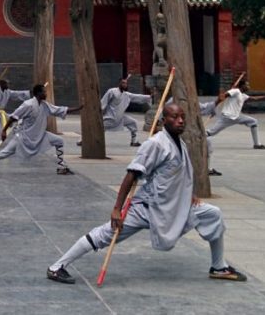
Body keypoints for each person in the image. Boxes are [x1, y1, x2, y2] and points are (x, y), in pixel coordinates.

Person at [46, 103, 247, 284]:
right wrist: (117, 209)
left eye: (182, 117)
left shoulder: (180, 143)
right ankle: (57, 267)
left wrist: (190, 194)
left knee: (212, 214)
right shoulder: (156, 144)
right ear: (163, 120)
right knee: (105, 235)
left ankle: (218, 267)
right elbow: (131, 174)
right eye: (174, 117)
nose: (180, 121)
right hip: (147, 208)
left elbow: (180, 175)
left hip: (175, 206)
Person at [0, 84, 81, 175]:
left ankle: (61, 167)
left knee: (59, 141)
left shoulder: (45, 105)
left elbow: (59, 110)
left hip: (40, 135)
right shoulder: (28, 105)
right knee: (4, 153)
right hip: (24, 137)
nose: (46, 94)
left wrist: (78, 108)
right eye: (44, 92)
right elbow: (13, 117)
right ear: (38, 93)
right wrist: (4, 131)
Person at [205, 81, 265, 149]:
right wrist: (214, 107)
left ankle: (257, 144)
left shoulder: (243, 95)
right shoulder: (235, 91)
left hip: (237, 117)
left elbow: (254, 98)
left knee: (253, 121)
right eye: (247, 85)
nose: (248, 87)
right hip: (227, 117)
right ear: (242, 86)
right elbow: (222, 96)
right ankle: (199, 136)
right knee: (212, 132)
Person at [99, 76, 151, 147]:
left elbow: (137, 96)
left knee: (133, 122)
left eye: (126, 83)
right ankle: (89, 141)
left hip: (121, 118)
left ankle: (134, 141)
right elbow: (104, 102)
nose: (124, 84)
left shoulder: (126, 95)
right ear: (119, 83)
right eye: (123, 83)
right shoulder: (112, 91)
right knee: (99, 128)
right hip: (110, 117)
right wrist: (100, 112)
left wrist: (150, 97)